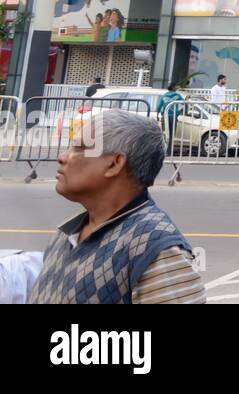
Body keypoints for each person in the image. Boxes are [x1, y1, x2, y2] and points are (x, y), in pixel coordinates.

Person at [28, 108, 206, 303]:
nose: (62, 157)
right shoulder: (66, 234)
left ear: (115, 163)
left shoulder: (157, 251)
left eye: (79, 148)